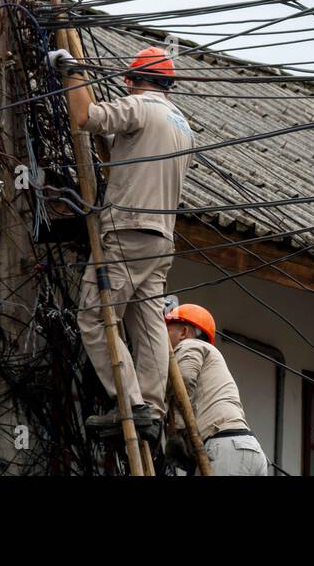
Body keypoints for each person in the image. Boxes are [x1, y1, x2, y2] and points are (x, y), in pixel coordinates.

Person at [48, 44, 195, 439]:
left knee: (94, 315)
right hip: (161, 239)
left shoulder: (141, 106)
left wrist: (72, 72)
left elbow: (85, 116)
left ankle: (131, 405)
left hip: (128, 230)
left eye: (127, 83)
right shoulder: (182, 126)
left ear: (133, 81)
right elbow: (126, 148)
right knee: (148, 325)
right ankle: (153, 406)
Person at [165, 303, 270, 476]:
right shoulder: (210, 354)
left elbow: (182, 381)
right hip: (248, 450)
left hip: (225, 448)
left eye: (168, 330)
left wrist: (177, 431)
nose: (163, 338)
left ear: (184, 332)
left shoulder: (189, 345)